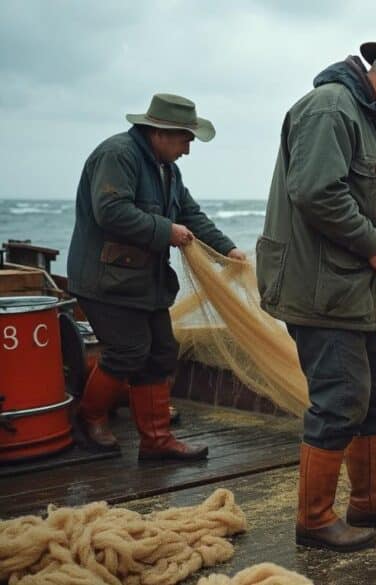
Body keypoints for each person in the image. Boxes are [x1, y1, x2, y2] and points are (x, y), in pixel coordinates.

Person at [257, 31, 376, 553]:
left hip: (348, 292)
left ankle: (368, 501)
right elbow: (317, 191)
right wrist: (372, 246)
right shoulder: (329, 110)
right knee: (341, 398)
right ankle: (313, 520)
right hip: (320, 289)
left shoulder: (368, 121)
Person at [68, 93, 246, 462]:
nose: (188, 149)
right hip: (105, 279)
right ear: (161, 132)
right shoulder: (118, 155)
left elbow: (191, 214)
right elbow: (111, 211)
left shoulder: (168, 169)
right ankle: (89, 419)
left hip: (144, 282)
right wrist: (167, 231)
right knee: (128, 351)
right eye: (186, 139)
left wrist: (227, 249)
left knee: (161, 352)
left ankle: (156, 441)